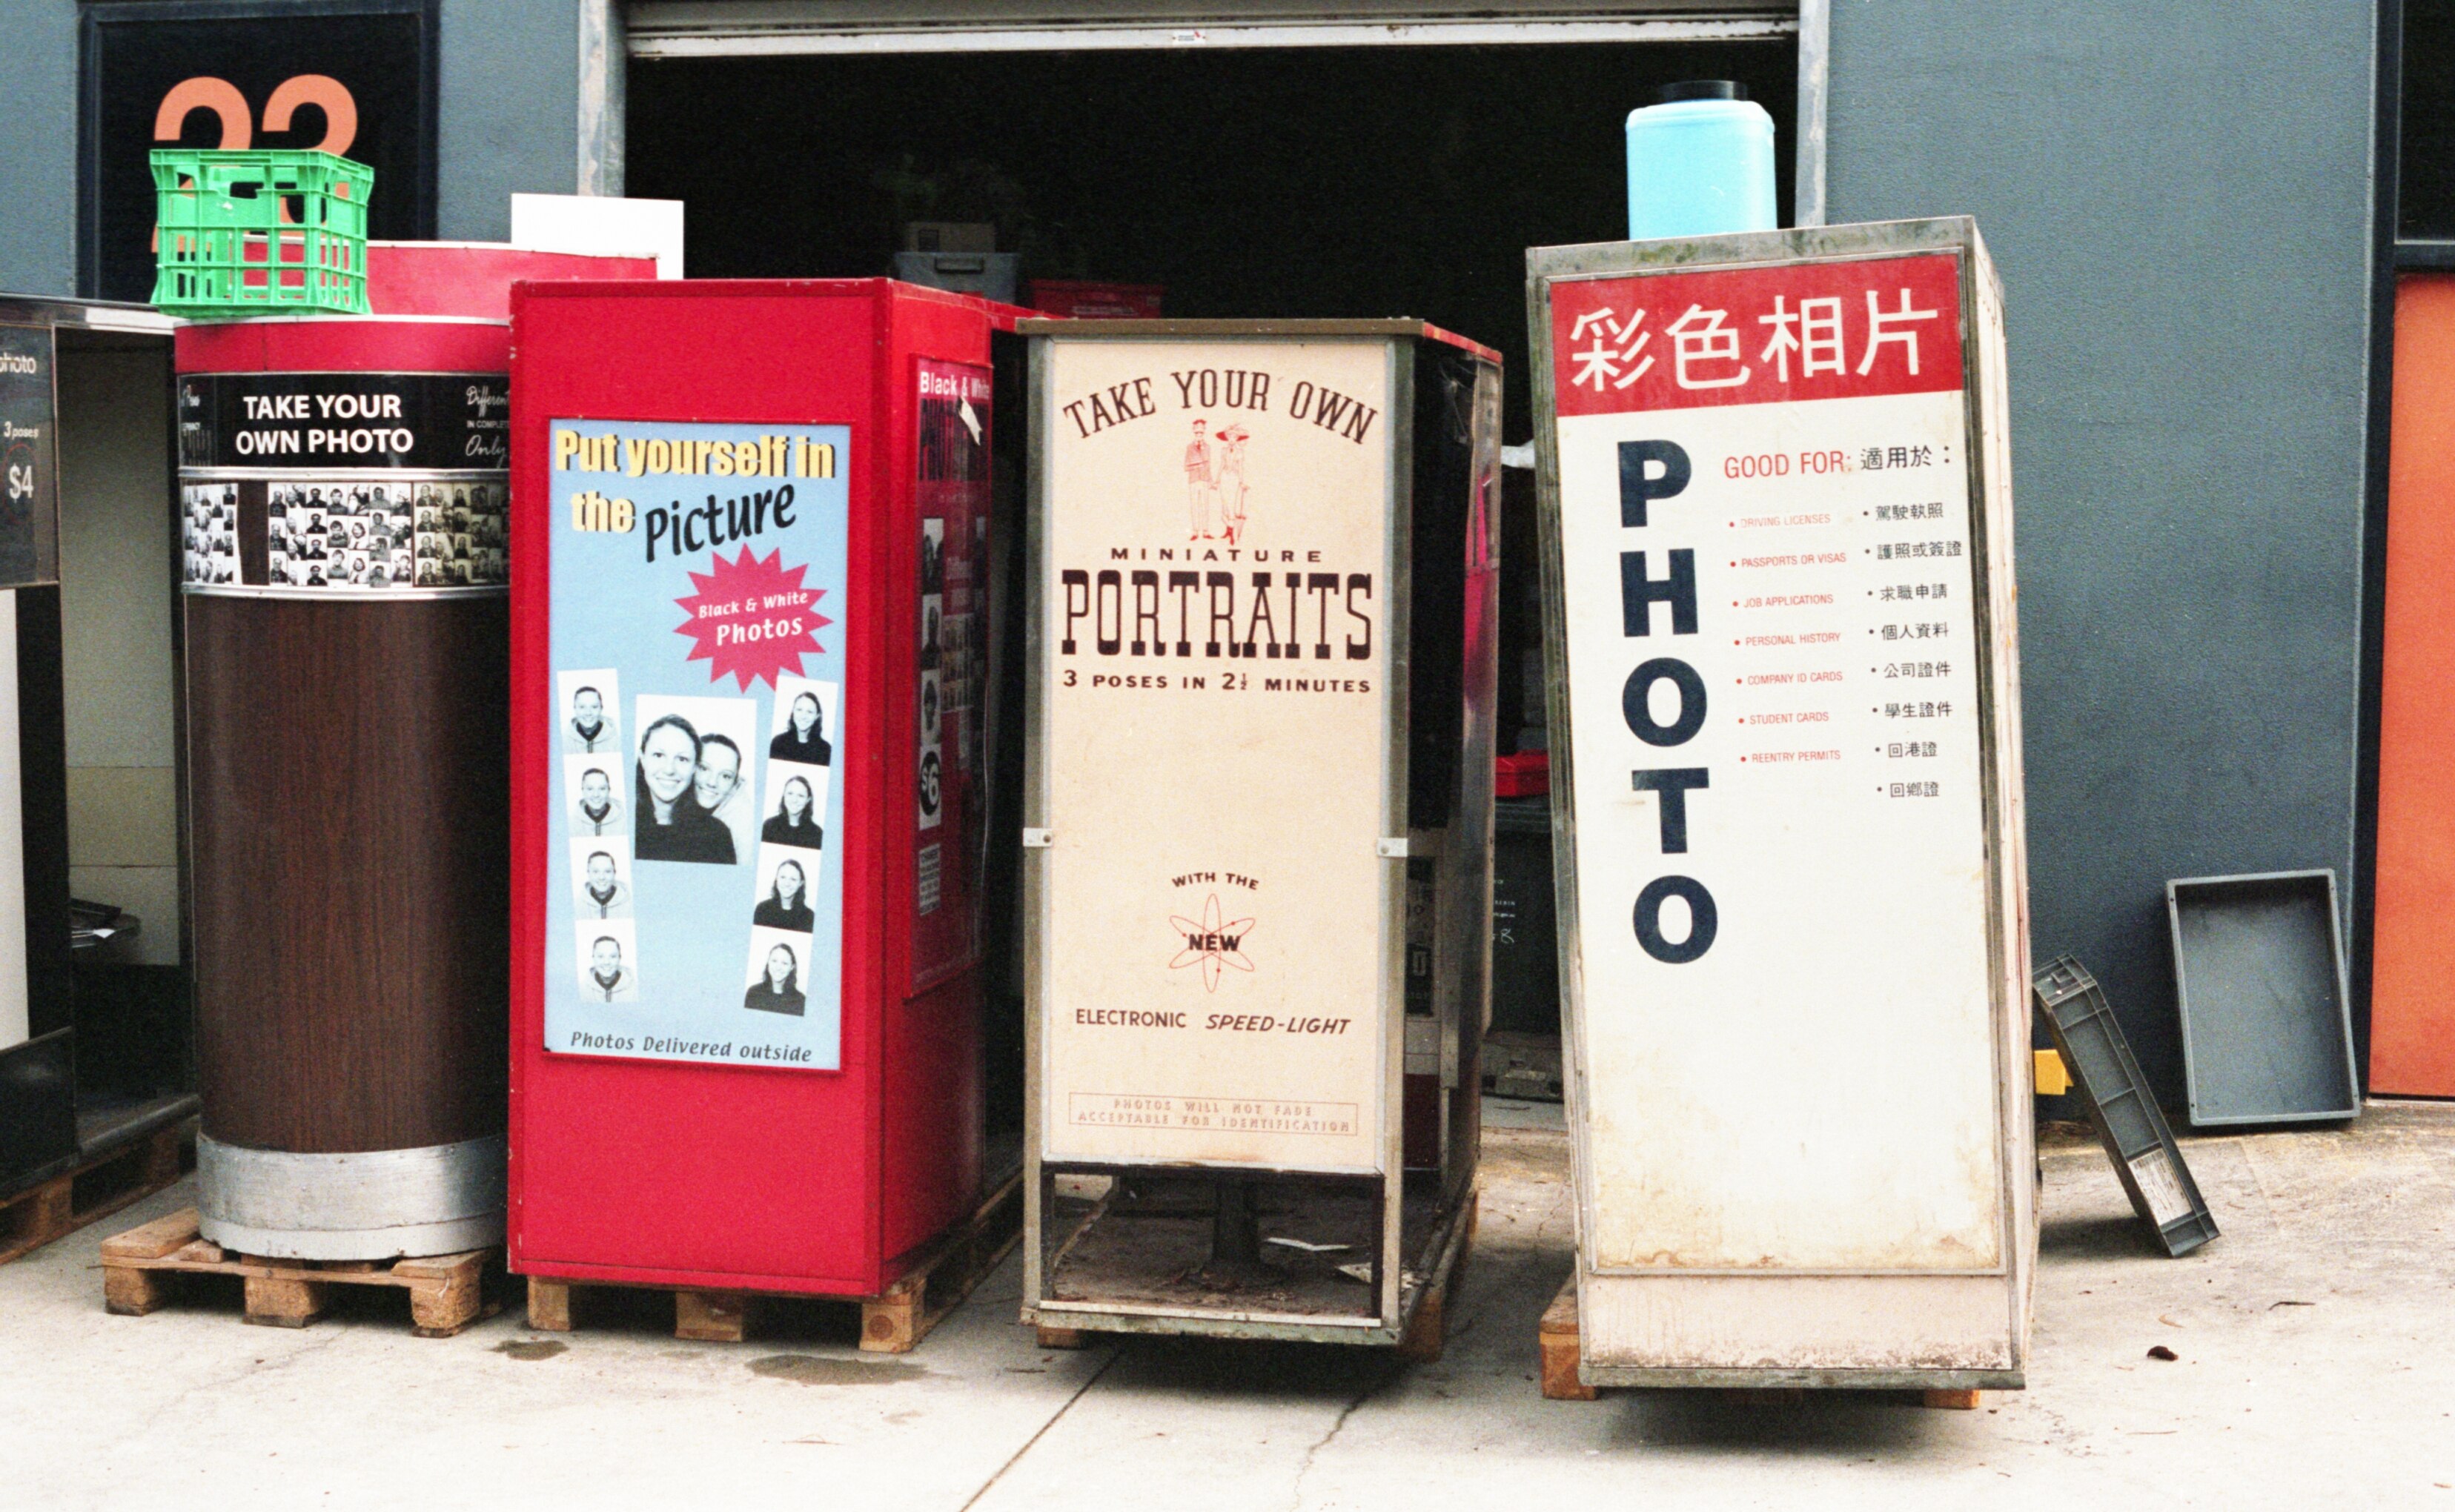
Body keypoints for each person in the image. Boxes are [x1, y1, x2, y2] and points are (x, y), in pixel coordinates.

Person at [634, 714, 735, 863]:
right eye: (659, 755)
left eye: (682, 759)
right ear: (643, 759)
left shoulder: (716, 835)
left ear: (695, 767)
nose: (669, 770)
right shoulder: (622, 823)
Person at [695, 733, 746, 846]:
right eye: (704, 768)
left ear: (734, 784)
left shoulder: (725, 833)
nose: (712, 783)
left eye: (725, 776)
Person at [742, 942, 806, 1016]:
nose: (778, 967)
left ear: (792, 967)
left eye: (785, 963)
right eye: (774, 961)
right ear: (768, 962)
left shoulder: (801, 1001)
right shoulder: (753, 993)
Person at [770, 692, 832, 766]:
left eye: (810, 712)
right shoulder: (778, 743)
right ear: (793, 712)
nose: (803, 716)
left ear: (817, 716)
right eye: (799, 710)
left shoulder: (826, 750)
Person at [753, 858, 815, 932]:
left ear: (800, 883)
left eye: (793, 879)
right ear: (777, 879)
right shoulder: (762, 909)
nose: (787, 884)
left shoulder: (809, 917)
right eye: (783, 877)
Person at [763, 775, 823, 847]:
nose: (794, 800)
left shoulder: (817, 834)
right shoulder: (769, 826)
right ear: (784, 795)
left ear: (808, 800)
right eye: (790, 793)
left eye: (801, 796)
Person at [1185, 417, 1216, 537]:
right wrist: (1198, 464)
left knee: (1205, 505)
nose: (1199, 435)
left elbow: (1208, 465)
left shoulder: (1207, 447)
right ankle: (1195, 532)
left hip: (1204, 480)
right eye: (1197, 432)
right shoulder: (1189, 447)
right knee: (1194, 505)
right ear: (1194, 432)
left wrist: (1211, 480)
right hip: (1193, 480)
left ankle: (1206, 531)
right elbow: (1186, 466)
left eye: (1201, 433)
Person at [577, 851, 630, 918]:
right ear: (588, 873)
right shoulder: (577, 906)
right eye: (596, 872)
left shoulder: (630, 905)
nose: (602, 877)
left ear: (614, 873)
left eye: (607, 871)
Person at [574, 766, 621, 836]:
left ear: (609, 790)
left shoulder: (625, 819)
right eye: (590, 789)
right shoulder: (571, 822)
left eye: (602, 789)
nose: (596, 795)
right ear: (583, 790)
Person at [583, 935, 633, 1001]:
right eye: (601, 956)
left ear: (619, 958)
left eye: (613, 956)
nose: (607, 962)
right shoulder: (582, 989)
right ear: (593, 958)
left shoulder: (635, 988)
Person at [568, 686, 614, 752]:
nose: (588, 713)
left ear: (601, 708)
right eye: (582, 707)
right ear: (575, 709)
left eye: (594, 707)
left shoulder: (617, 740)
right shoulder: (563, 741)